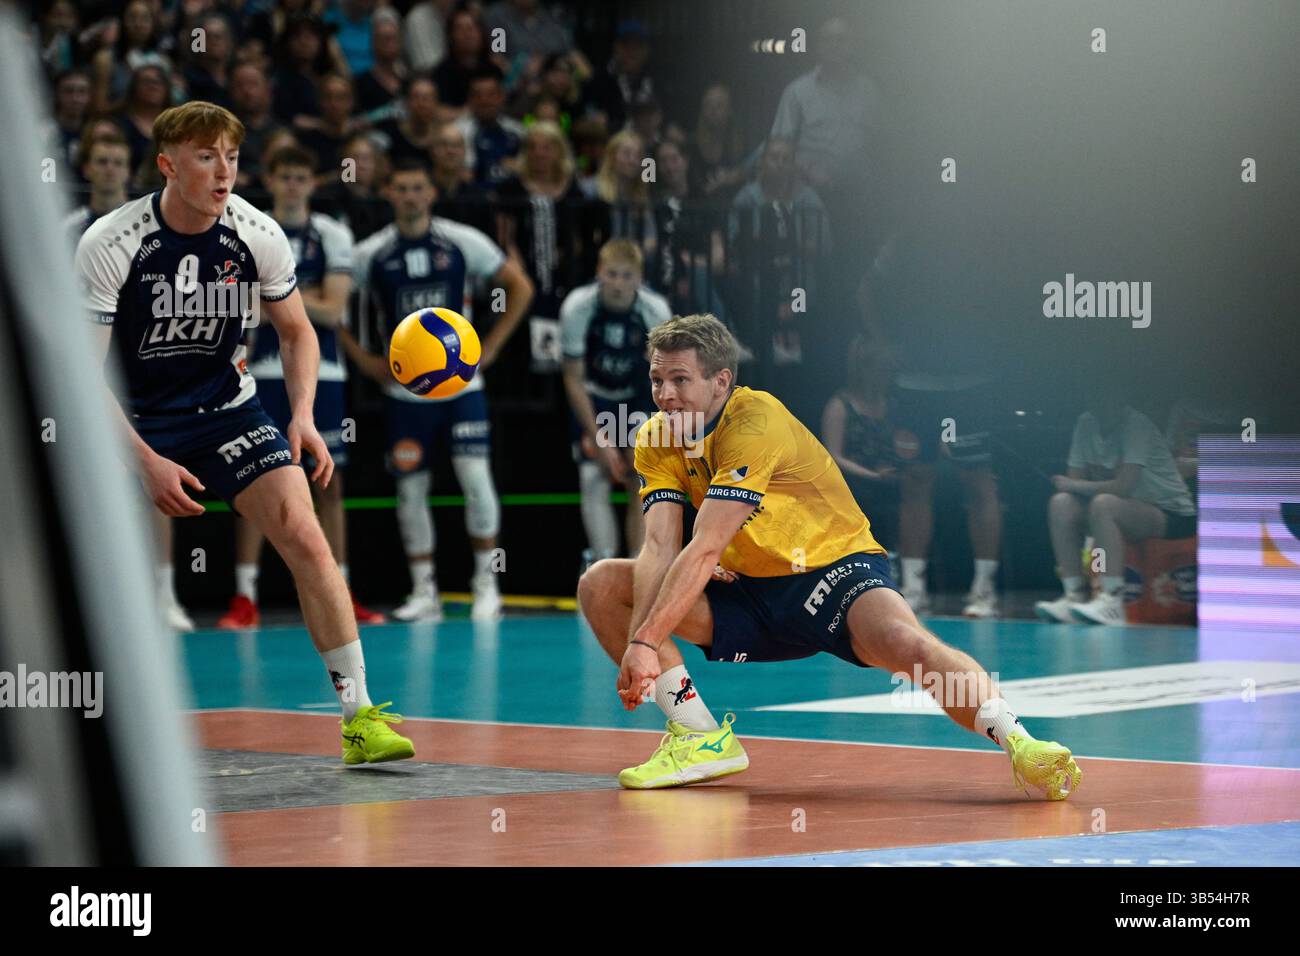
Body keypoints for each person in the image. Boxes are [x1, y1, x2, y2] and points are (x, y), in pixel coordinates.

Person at [577, 315, 1081, 799]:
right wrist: (643, 638)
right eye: (657, 379)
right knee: (602, 584)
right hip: (749, 593)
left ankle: (1022, 743)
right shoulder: (656, 437)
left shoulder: (755, 421)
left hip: (832, 571)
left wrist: (644, 639)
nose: (665, 395)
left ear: (720, 381)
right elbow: (660, 548)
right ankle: (699, 737)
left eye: (680, 379)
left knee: (907, 644)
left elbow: (704, 544)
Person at [76, 100, 414, 764]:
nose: (223, 171)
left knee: (306, 536)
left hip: (226, 409)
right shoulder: (111, 242)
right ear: (169, 165)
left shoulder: (255, 234)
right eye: (206, 157)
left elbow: (298, 333)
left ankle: (358, 717)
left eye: (231, 155)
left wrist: (302, 415)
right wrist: (144, 460)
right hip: (130, 417)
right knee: (87, 568)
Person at [342, 158, 534, 621]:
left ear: (431, 193)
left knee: (475, 480)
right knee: (411, 490)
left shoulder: (461, 241)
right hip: (404, 396)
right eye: (402, 187)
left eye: (418, 187)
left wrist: (488, 348)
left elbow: (520, 287)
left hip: (463, 388)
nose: (410, 196)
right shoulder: (371, 253)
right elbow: (334, 304)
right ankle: (423, 590)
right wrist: (365, 359)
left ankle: (486, 584)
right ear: (389, 192)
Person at [218, 144, 386, 629]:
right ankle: (244, 598)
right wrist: (292, 298)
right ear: (271, 180)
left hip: (322, 373)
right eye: (284, 176)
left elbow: (335, 310)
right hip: (255, 372)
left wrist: (273, 292)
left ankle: (344, 593)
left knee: (329, 484)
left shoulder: (331, 233)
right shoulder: (249, 227)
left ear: (312, 183)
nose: (292, 185)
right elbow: (241, 304)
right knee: (250, 486)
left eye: (300, 176)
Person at [1035, 391, 1197, 626]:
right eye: (1096, 395)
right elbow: (1074, 487)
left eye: (1107, 395)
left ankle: (1112, 601)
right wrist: (1074, 486)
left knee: (1104, 504)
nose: (1102, 403)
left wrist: (1074, 484)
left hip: (1172, 513)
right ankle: (1074, 594)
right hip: (1124, 511)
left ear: (1121, 400)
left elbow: (1122, 486)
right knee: (1061, 504)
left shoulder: (1137, 425)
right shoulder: (1086, 422)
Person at [560, 240, 671, 565]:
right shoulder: (577, 308)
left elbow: (662, 378)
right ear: (599, 274)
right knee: (593, 478)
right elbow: (573, 378)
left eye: (627, 276)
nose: (619, 284)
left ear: (639, 278)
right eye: (612, 275)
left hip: (637, 396)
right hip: (594, 397)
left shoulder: (655, 311)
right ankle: (601, 564)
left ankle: (638, 568)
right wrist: (600, 437)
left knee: (641, 476)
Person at [820, 335, 901, 552]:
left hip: (892, 475)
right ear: (864, 369)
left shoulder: (894, 404)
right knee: (863, 497)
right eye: (880, 369)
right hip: (857, 479)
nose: (885, 375)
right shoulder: (840, 405)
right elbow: (833, 456)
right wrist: (874, 476)